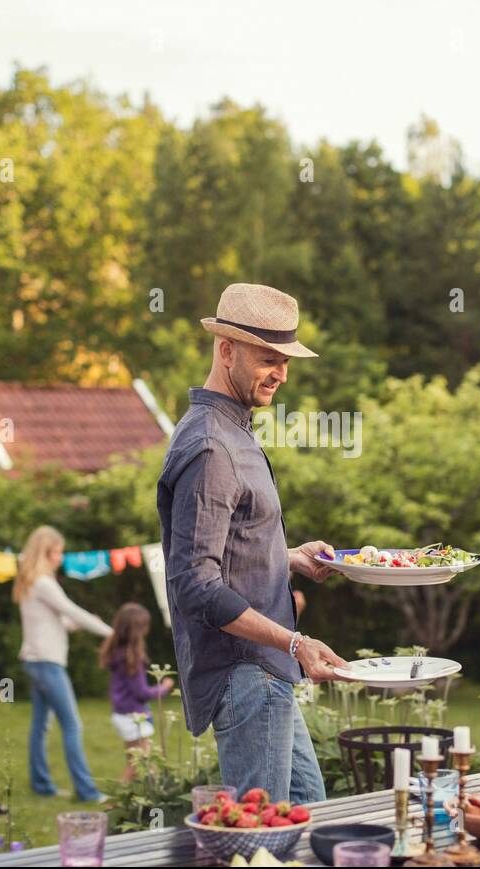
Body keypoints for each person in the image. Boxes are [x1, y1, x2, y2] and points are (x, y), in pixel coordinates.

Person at [157, 282, 349, 805]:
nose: (281, 374)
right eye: (269, 359)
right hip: (250, 676)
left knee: (310, 820)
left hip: (267, 675)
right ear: (226, 351)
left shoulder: (231, 428)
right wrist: (294, 642)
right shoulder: (211, 446)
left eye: (285, 360)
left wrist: (289, 558)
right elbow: (196, 584)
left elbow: (226, 549)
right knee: (261, 843)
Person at [14, 525, 113, 802]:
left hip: (35, 661)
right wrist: (111, 632)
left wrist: (75, 624)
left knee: (40, 725)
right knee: (72, 725)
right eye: (56, 552)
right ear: (44, 552)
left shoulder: (31, 582)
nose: (60, 557)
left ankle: (41, 785)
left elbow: (55, 621)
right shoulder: (44, 583)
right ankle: (86, 791)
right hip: (47, 663)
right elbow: (71, 611)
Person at [98, 602, 174, 782]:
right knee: (139, 764)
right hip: (133, 718)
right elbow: (142, 693)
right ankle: (112, 805)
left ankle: (137, 803)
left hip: (121, 714)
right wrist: (164, 686)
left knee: (139, 763)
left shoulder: (117, 652)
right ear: (139, 630)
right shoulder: (132, 658)